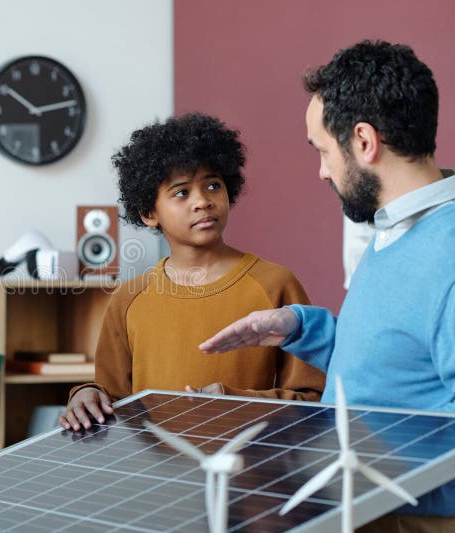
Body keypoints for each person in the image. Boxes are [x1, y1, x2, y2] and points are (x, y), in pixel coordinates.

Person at [199, 40, 455, 531]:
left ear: (364, 142)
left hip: (420, 514)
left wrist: (339, 456)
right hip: (370, 497)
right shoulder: (395, 229)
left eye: (323, 151)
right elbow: (398, 361)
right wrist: (300, 328)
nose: (322, 171)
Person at [59, 113, 325, 432]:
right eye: (182, 192)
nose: (202, 201)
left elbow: (313, 402)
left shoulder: (275, 284)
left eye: (213, 185)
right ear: (149, 212)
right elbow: (113, 404)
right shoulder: (128, 299)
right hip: (156, 478)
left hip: (248, 475)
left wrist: (231, 402)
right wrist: (87, 393)